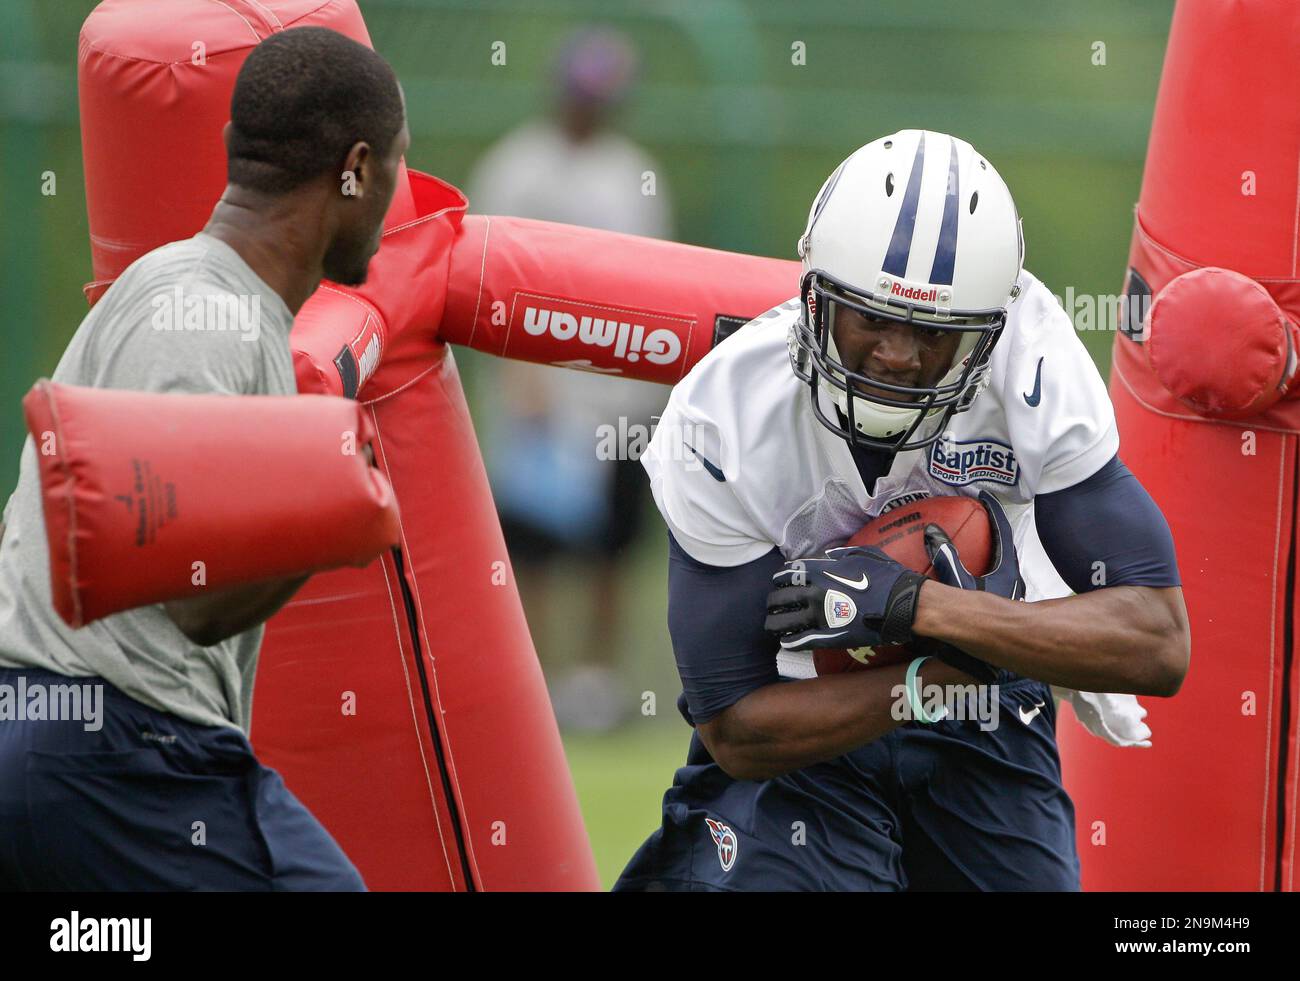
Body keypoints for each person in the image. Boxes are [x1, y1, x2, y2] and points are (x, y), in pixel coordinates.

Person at [614, 129, 1189, 891]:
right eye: (872, 318)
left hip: (988, 699)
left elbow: (1158, 641)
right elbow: (737, 728)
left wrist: (922, 608)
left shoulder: (1033, 361)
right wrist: (930, 673)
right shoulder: (725, 415)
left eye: (932, 331)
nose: (897, 354)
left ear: (988, 336)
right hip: (808, 710)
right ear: (815, 297)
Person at [0, 26, 409, 890]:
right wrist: (337, 510)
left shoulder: (205, 298)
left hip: (77, 744)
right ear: (357, 168)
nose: (398, 193)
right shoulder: (199, 319)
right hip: (119, 749)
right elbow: (189, 592)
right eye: (401, 166)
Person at [467, 28, 672, 731]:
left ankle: (595, 685)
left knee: (612, 546)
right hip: (540, 395)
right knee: (532, 550)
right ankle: (530, 679)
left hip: (617, 395)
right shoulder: (516, 166)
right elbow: (485, 275)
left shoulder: (632, 174)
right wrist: (520, 373)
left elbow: (652, 284)